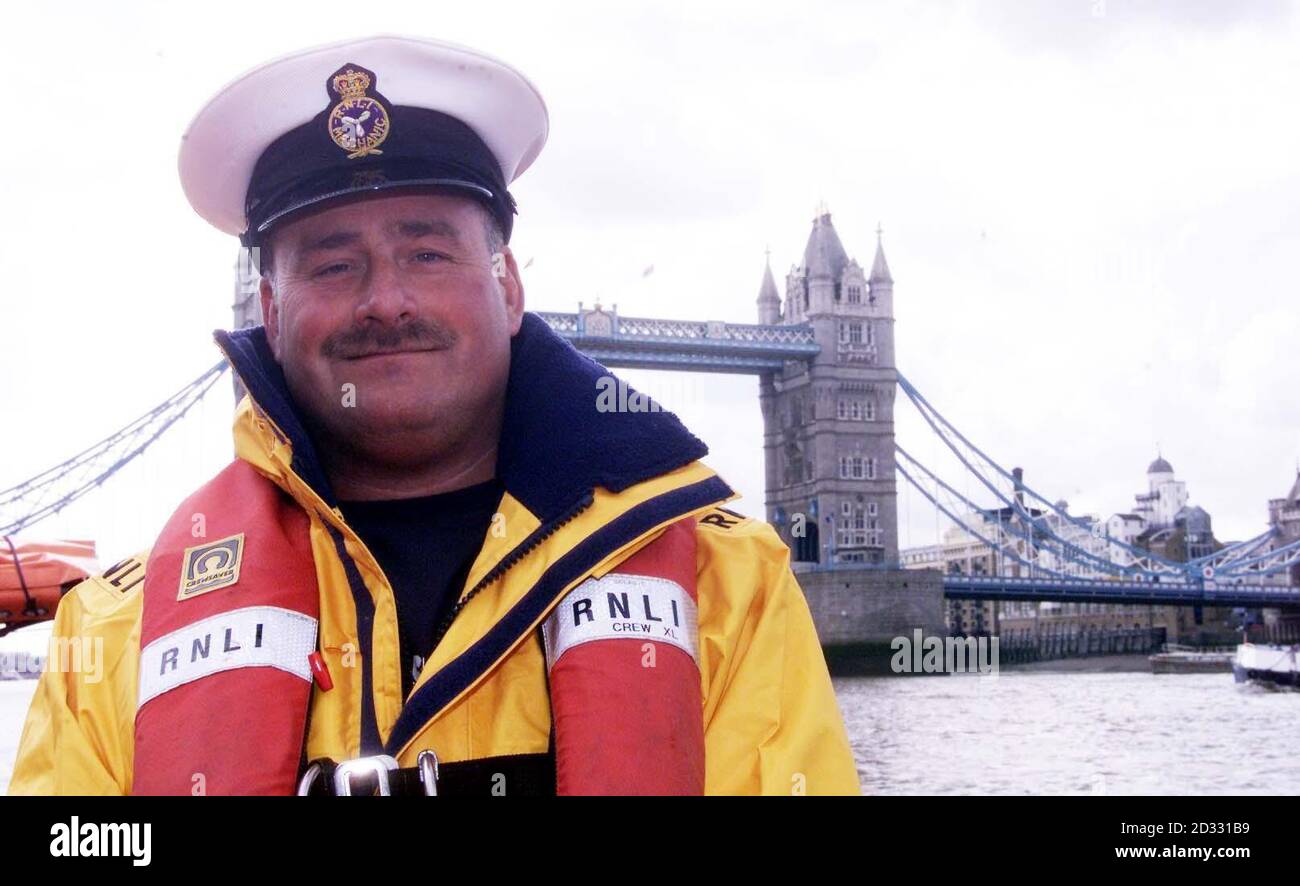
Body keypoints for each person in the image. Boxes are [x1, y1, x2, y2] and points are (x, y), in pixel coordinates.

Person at [9, 35, 859, 796]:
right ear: (268, 311)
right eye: (334, 266)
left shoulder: (728, 584)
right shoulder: (119, 631)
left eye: (427, 251)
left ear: (509, 284)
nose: (386, 301)